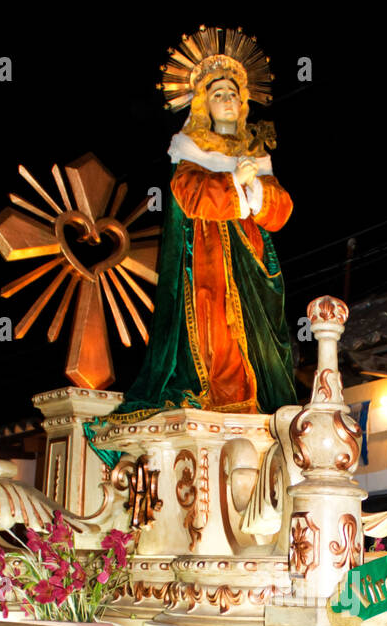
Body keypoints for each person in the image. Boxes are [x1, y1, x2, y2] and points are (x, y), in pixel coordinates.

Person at [123, 30, 296, 417]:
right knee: (217, 332)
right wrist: (235, 182)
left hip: (254, 261)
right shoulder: (191, 149)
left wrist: (257, 189)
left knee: (260, 338)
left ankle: (259, 402)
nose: (228, 100)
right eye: (218, 94)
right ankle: (225, 399)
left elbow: (281, 212)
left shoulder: (256, 152)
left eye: (233, 93)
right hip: (207, 258)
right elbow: (189, 193)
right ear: (205, 104)